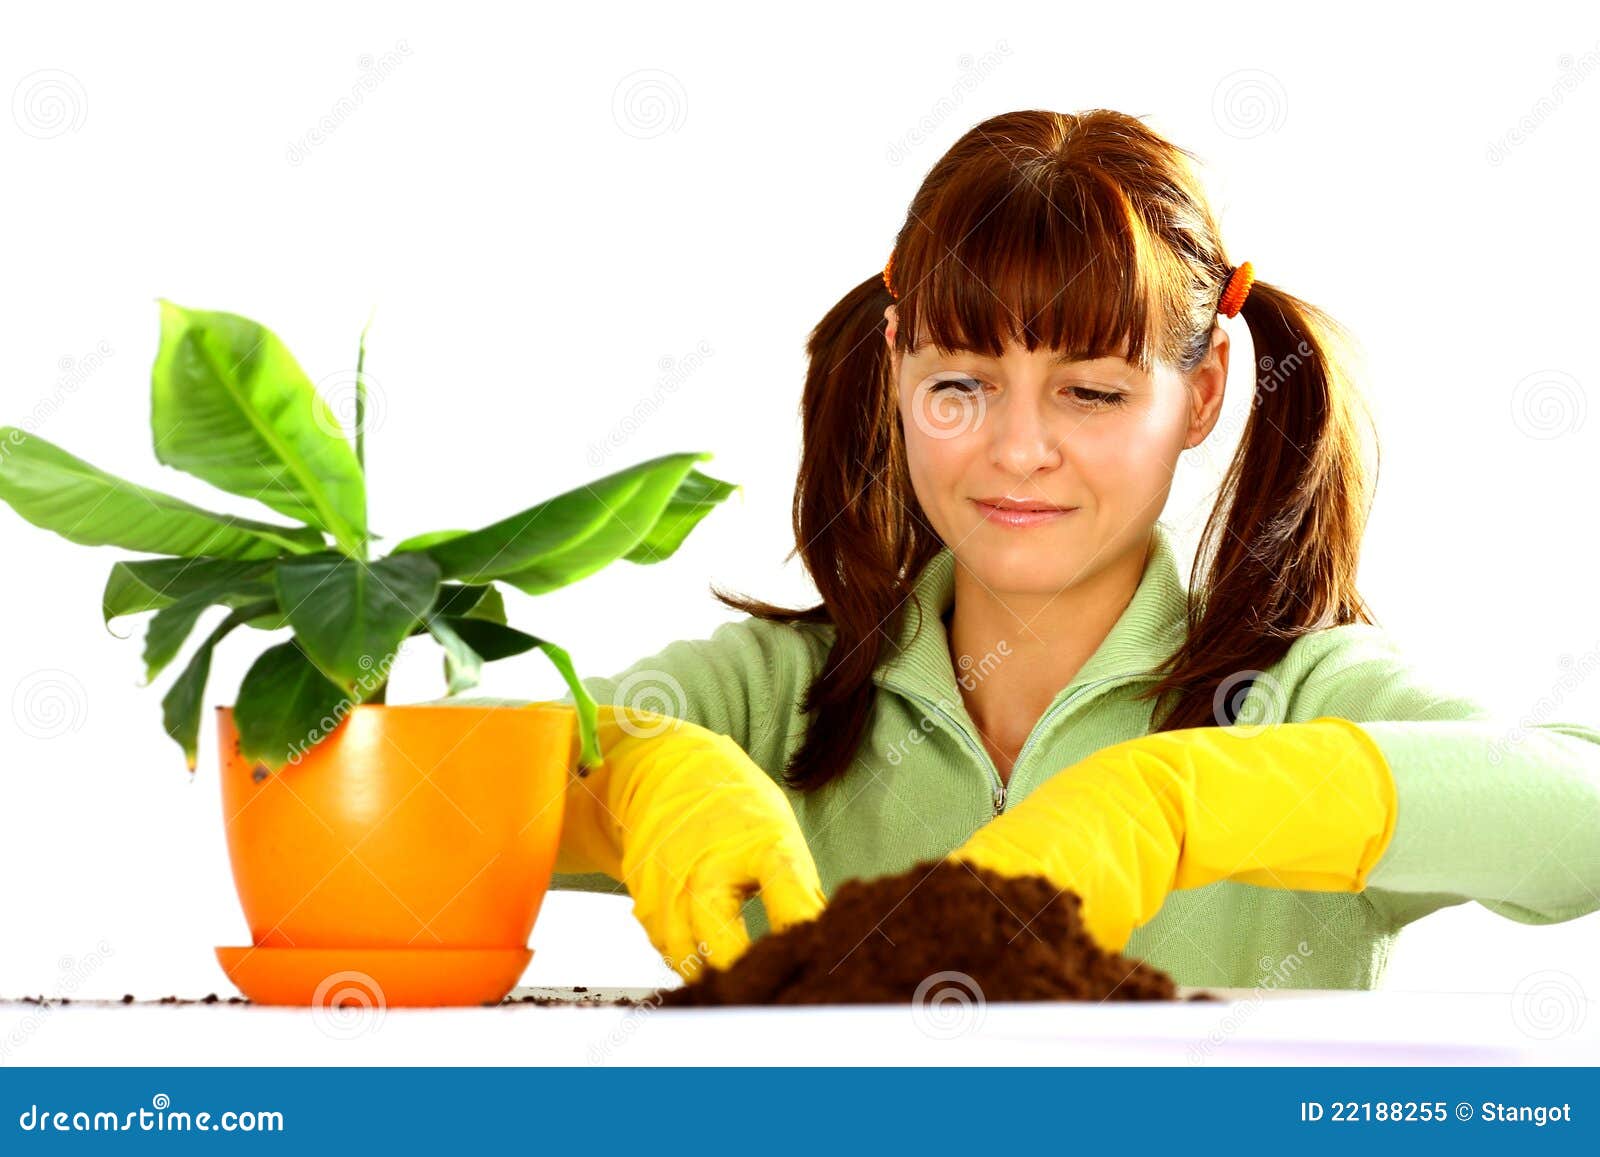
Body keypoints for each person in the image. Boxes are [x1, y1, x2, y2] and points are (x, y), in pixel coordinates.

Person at [539, 108, 1600, 990]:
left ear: (1204, 395)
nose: (1017, 450)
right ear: (897, 369)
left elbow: (1581, 810)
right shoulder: (780, 696)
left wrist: (1178, 802)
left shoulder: (1291, 697)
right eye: (959, 383)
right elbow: (403, 791)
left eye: (1091, 392)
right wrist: (632, 773)